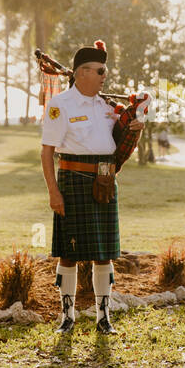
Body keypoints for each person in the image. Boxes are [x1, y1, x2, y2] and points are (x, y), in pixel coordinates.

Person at [41, 40, 128, 335]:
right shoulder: (59, 105)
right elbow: (47, 152)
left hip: (104, 181)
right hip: (73, 181)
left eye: (105, 70)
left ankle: (103, 317)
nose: (105, 75)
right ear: (81, 73)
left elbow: (121, 139)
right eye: (100, 70)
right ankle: (67, 316)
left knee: (104, 253)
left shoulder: (107, 107)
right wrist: (54, 192)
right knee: (70, 252)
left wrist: (134, 118)